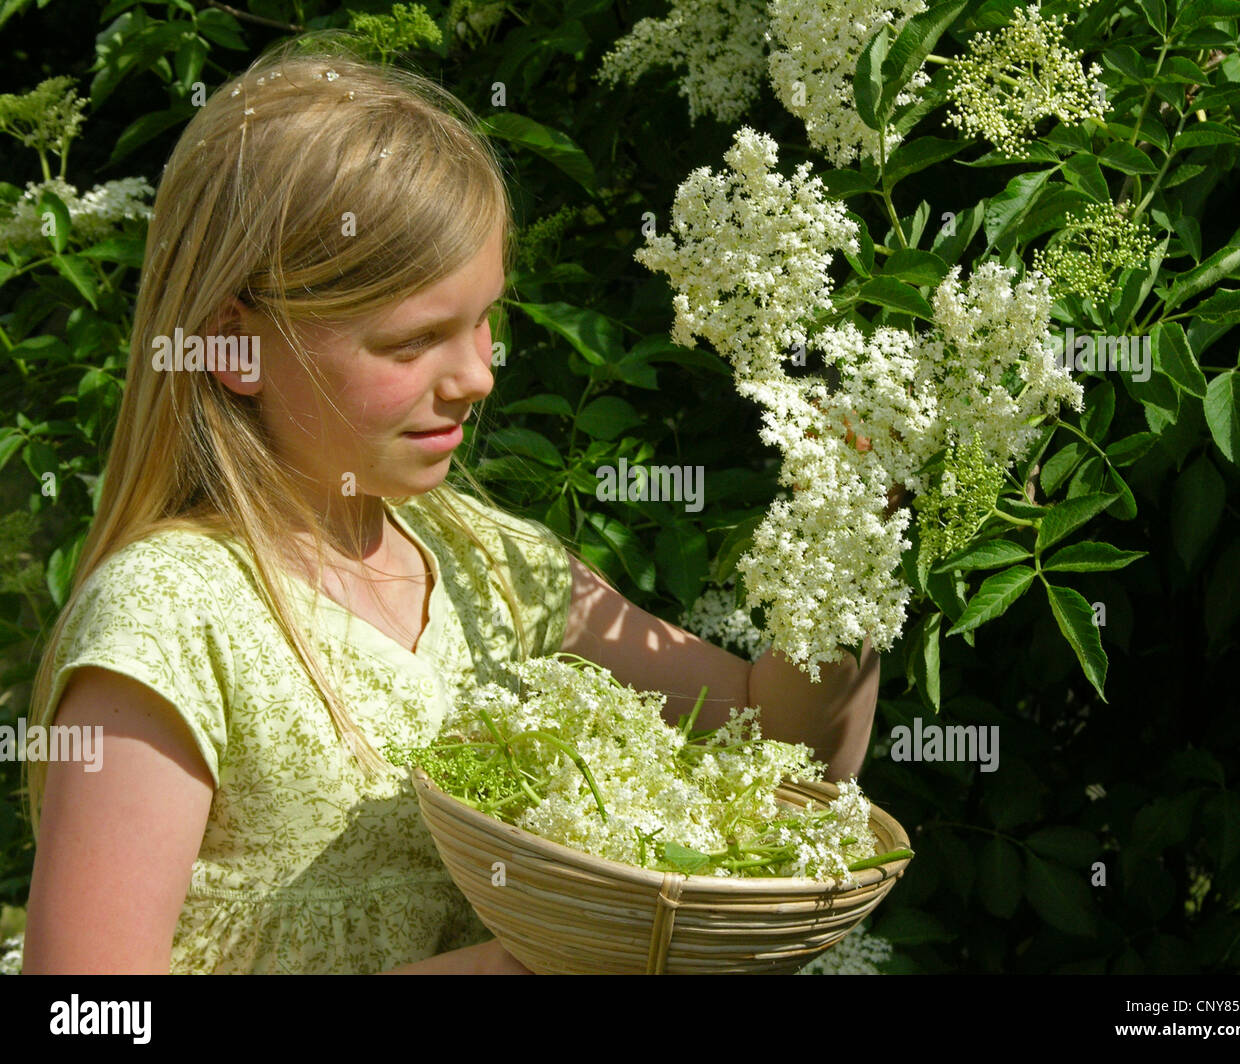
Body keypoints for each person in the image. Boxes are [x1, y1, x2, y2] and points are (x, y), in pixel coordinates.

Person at [20, 37, 881, 975]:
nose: (476, 376)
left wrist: (846, 532)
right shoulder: (170, 617)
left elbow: (784, 747)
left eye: (485, 321)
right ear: (235, 345)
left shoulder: (494, 569)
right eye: (413, 342)